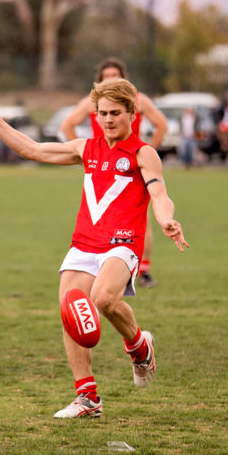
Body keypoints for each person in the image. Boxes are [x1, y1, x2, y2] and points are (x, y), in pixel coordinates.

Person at [0, 78, 188, 418]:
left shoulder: (143, 153)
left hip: (123, 242)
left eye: (115, 113)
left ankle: (139, 347)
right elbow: (33, 149)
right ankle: (88, 399)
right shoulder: (85, 148)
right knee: (70, 310)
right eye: (102, 113)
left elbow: (159, 193)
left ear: (132, 114)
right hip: (85, 242)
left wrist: (166, 220)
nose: (108, 119)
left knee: (104, 299)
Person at [61, 58, 168, 287]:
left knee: (141, 219)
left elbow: (162, 124)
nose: (111, 79)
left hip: (130, 163)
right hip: (103, 163)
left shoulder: (138, 100)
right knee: (97, 216)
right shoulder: (90, 102)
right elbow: (67, 125)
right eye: (107, 76)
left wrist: (148, 153)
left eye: (115, 75)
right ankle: (103, 263)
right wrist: (85, 157)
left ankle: (143, 268)